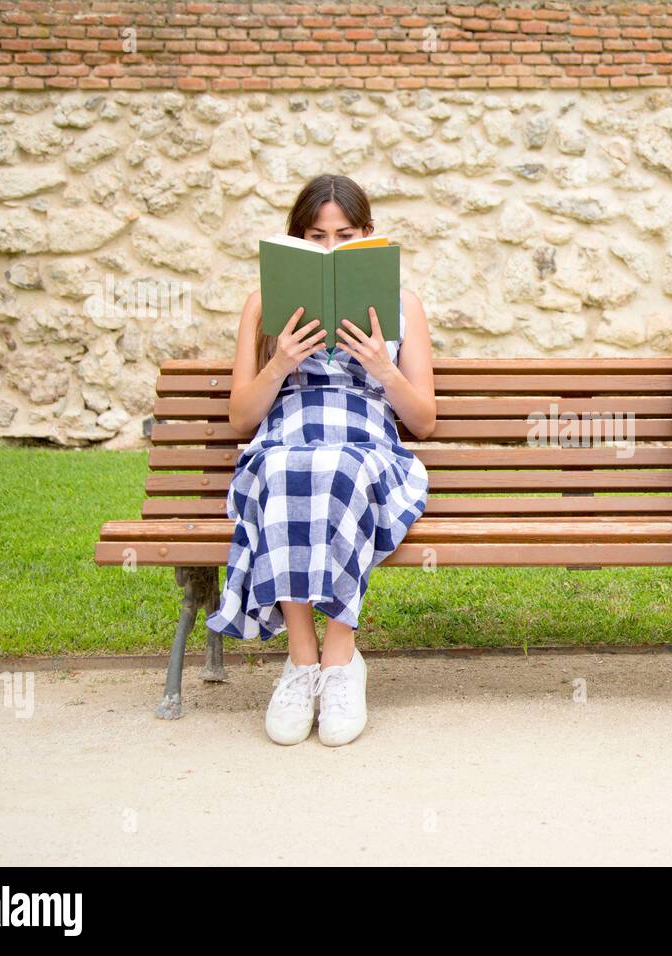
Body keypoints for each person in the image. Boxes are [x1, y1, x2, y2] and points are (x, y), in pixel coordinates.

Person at [205, 174, 435, 747]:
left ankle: (339, 661)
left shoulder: (403, 305)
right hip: (285, 441)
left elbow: (425, 419)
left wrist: (383, 367)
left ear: (367, 236)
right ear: (298, 241)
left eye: (345, 235)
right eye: (317, 237)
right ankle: (300, 660)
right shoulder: (263, 305)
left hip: (368, 452)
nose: (331, 248)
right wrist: (279, 362)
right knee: (287, 468)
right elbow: (241, 419)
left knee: (338, 468)